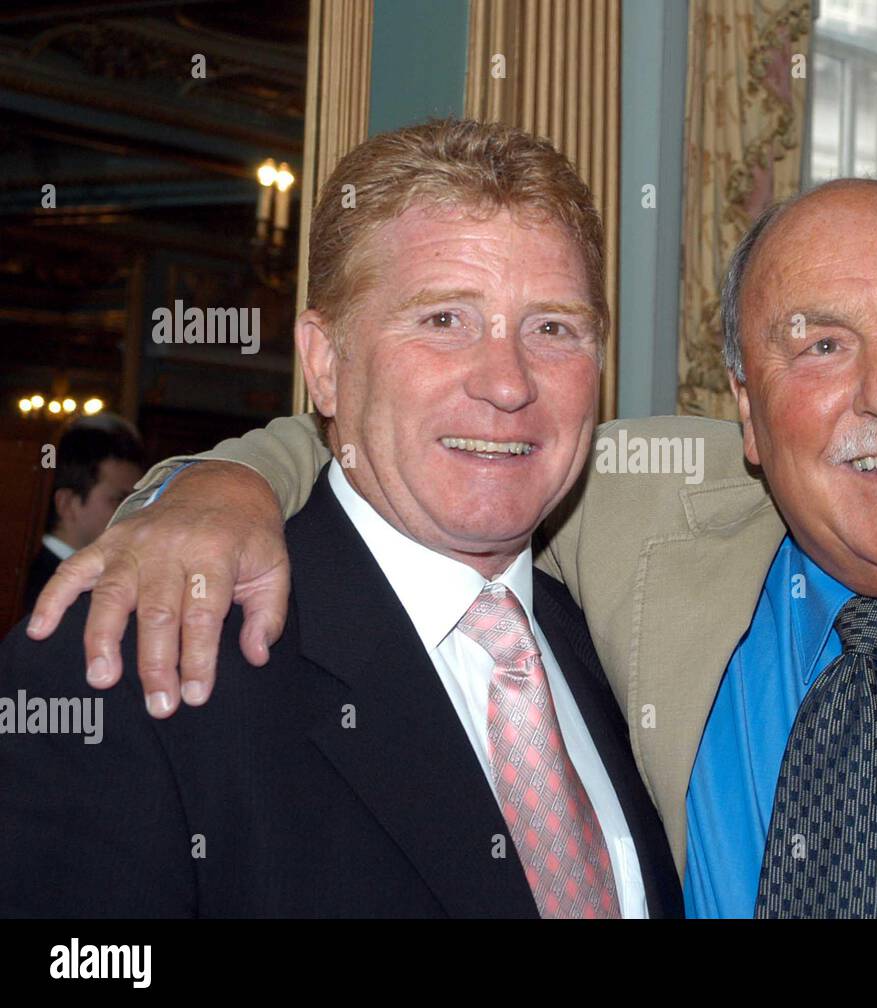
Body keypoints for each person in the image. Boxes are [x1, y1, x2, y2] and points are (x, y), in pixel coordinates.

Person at [29, 175, 877, 918]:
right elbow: (414, 443)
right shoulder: (643, 527)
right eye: (815, 345)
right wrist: (205, 490)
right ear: (741, 414)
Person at [1, 119, 681, 919]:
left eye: (554, 328)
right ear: (324, 365)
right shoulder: (134, 660)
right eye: (444, 320)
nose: (508, 383)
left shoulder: (614, 642)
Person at [22, 415, 143, 613]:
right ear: (67, 504)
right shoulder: (38, 586)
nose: (137, 513)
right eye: (120, 500)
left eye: (138, 500)